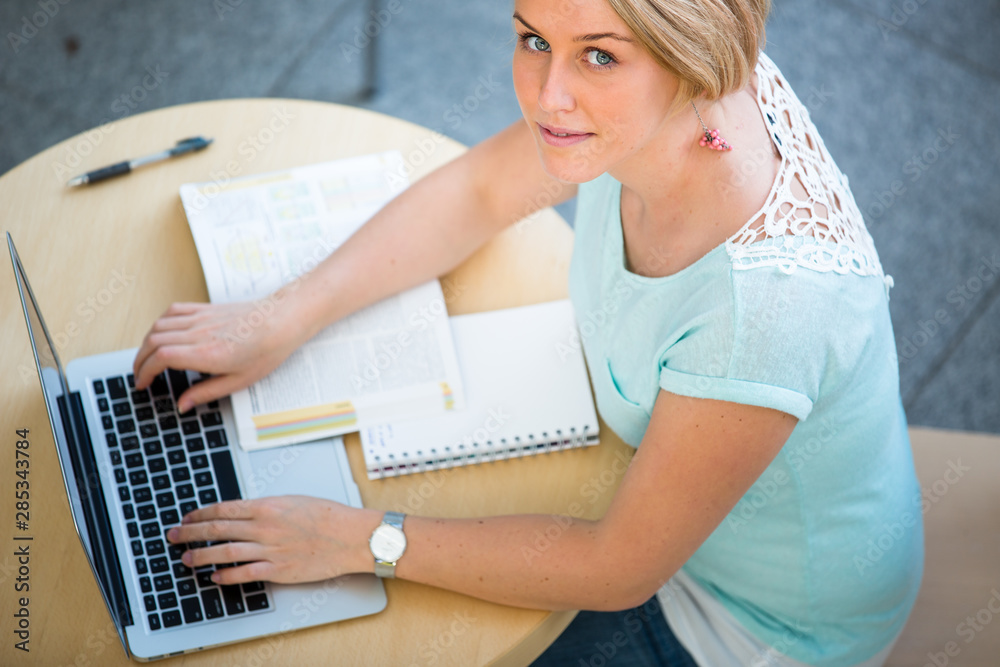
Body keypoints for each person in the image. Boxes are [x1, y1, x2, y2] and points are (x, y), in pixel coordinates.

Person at [135, 0, 924, 664]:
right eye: (534, 40)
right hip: (651, 496)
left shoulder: (763, 312)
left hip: (745, 623)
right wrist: (285, 316)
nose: (548, 97)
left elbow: (618, 569)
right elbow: (481, 192)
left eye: (599, 58)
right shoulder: (660, 111)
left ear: (694, 59)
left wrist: (356, 541)